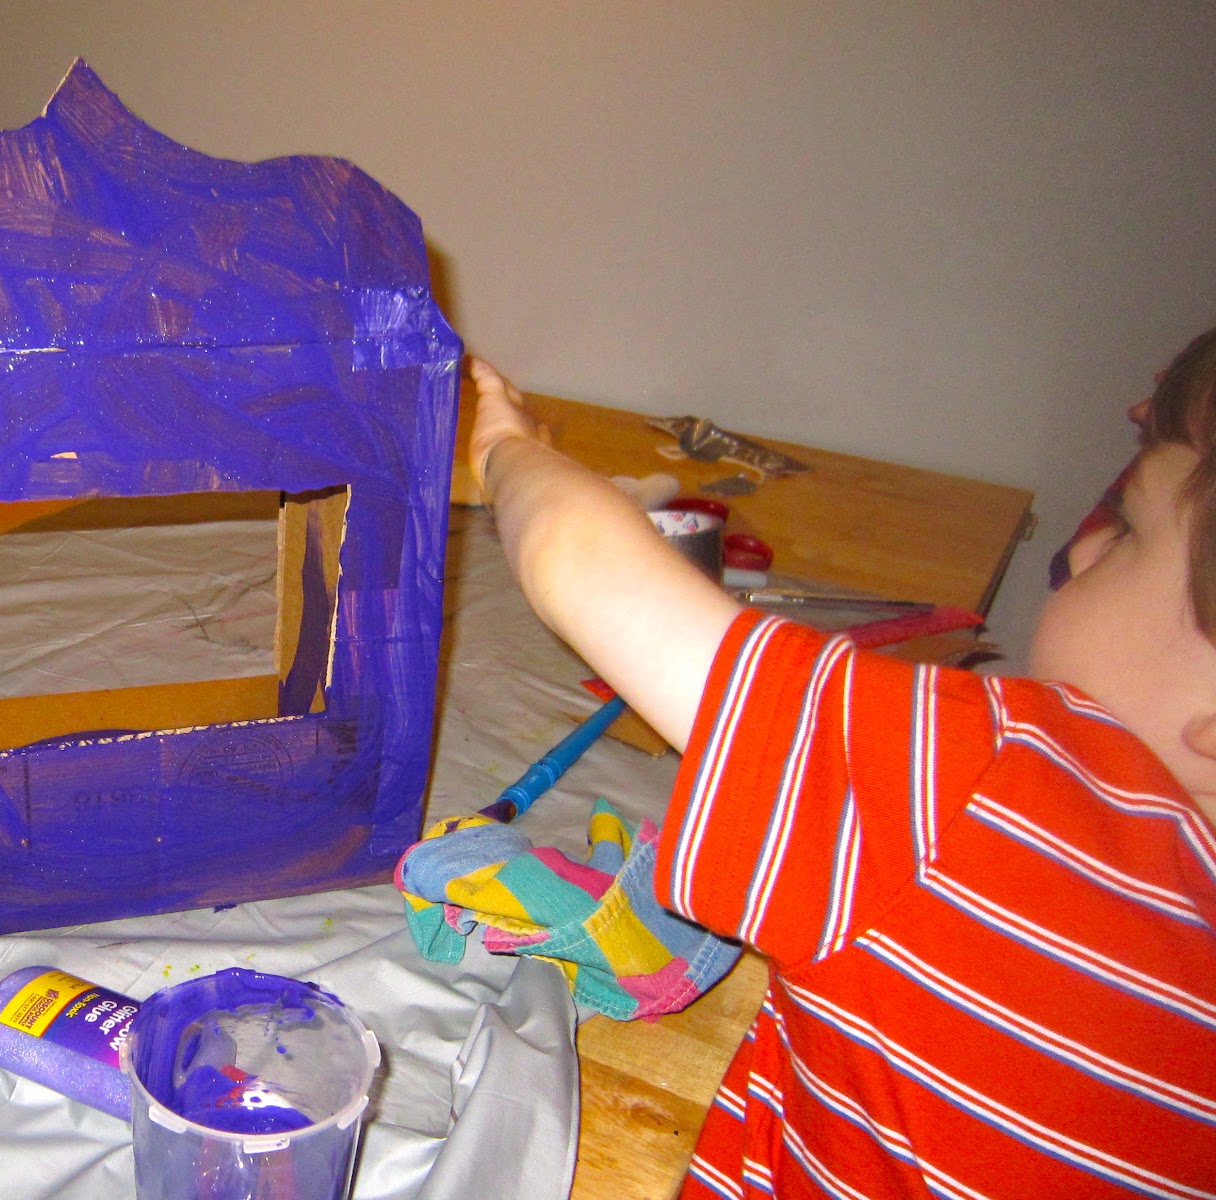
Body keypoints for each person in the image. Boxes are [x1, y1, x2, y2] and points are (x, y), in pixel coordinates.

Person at [464, 331, 1216, 1198]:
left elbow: (581, 563)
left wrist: (508, 453)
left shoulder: (977, 789)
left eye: (1128, 530)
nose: (1083, 550)